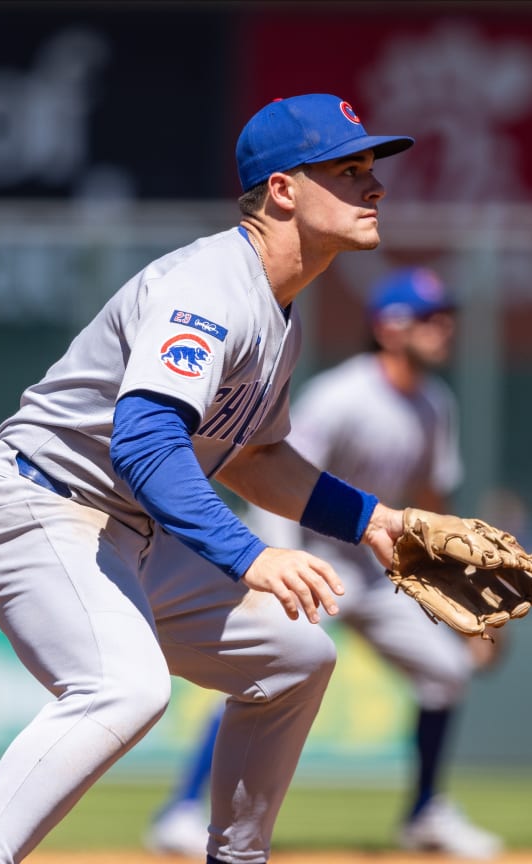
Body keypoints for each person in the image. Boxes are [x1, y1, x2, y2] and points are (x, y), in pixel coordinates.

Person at [0, 93, 418, 864]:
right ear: (283, 190)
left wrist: (376, 522)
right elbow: (146, 443)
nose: (375, 185)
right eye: (348, 169)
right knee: (123, 688)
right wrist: (251, 555)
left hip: (126, 532)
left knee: (296, 660)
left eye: (371, 167)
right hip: (37, 503)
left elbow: (255, 458)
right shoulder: (208, 288)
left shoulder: (278, 312)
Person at [145, 267, 506, 860]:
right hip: (309, 560)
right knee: (265, 665)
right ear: (389, 327)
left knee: (446, 673)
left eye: (447, 317)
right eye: (430, 317)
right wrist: (273, 566)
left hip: (374, 571)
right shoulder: (343, 396)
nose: (444, 327)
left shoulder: (435, 405)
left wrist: (459, 594)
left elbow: (430, 506)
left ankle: (425, 814)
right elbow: (269, 471)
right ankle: (180, 813)